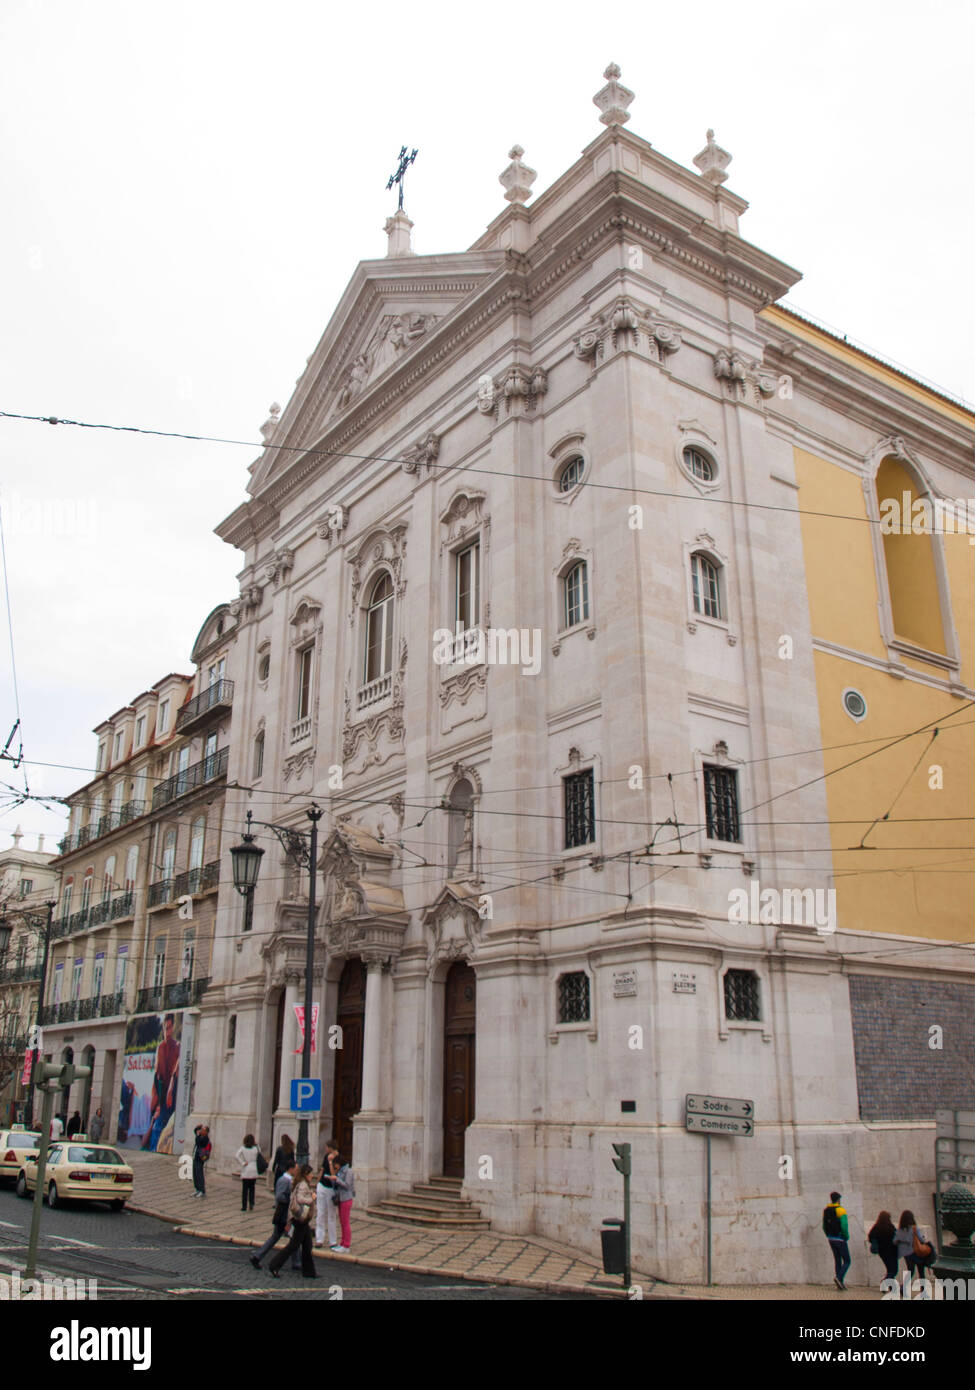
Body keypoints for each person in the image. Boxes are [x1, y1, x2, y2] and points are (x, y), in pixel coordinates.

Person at [250, 1157, 301, 1271]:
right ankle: (258, 1256)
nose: (297, 1171)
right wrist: (290, 1199)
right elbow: (279, 1197)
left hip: (284, 1214)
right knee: (290, 1238)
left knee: (291, 1238)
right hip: (283, 1215)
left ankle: (296, 1262)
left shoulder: (287, 1180)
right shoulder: (285, 1181)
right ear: (291, 1169)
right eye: (296, 1169)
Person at [268, 1163, 317, 1278]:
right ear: (306, 1174)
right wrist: (311, 1199)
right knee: (294, 1246)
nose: (312, 1176)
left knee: (307, 1246)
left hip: (302, 1219)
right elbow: (300, 1199)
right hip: (300, 1219)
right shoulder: (303, 1185)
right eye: (311, 1174)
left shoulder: (302, 1184)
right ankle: (274, 1265)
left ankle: (309, 1272)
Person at [143, 1013, 180, 1152]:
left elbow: (176, 1071)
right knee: (157, 1124)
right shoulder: (161, 1047)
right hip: (161, 1094)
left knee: (162, 1126)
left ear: (173, 1028)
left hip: (172, 1094)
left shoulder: (177, 1046)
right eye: (165, 1028)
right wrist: (157, 1103)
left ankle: (155, 1148)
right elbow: (157, 1075)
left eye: (170, 1028)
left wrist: (170, 1089)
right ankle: (153, 1148)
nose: (167, 1032)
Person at [894, 1210, 934, 1295]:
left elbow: (896, 1241)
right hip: (916, 1253)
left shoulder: (900, 1229)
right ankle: (923, 1291)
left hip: (907, 1254)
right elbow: (920, 1239)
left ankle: (903, 1288)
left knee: (910, 1271)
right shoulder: (914, 1228)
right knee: (921, 1271)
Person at [822, 1191, 851, 1290]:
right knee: (847, 1260)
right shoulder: (841, 1210)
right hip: (840, 1239)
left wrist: (828, 1235)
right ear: (838, 1200)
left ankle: (840, 1283)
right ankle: (839, 1277)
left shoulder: (826, 1210)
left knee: (837, 1260)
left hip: (831, 1238)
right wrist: (845, 1236)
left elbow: (824, 1226)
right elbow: (844, 1226)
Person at [315, 1140, 340, 1252]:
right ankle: (319, 1239)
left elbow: (333, 1173)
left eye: (327, 1147)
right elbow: (322, 1170)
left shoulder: (338, 1159)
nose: (325, 1149)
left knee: (331, 1215)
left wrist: (330, 1162)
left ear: (331, 1148)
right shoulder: (326, 1156)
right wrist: (317, 1183)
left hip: (331, 1189)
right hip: (322, 1186)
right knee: (320, 1213)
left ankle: (333, 1241)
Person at [331, 1149, 355, 1254]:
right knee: (342, 1221)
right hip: (341, 1198)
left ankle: (346, 1245)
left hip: (346, 1198)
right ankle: (342, 1243)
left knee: (345, 1222)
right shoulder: (340, 1171)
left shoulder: (349, 1171)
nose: (335, 1167)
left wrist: (337, 1179)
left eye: (335, 1164)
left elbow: (347, 1185)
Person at [867, 1210, 899, 1283]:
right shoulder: (890, 1227)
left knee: (889, 1270)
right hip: (891, 1252)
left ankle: (891, 1287)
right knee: (894, 1270)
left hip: (882, 1252)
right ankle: (885, 1281)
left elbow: (870, 1236)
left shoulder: (876, 1227)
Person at [236, 1133, 261, 1212]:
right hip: (254, 1169)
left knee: (245, 1189)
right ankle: (251, 1203)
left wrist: (243, 1163)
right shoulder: (255, 1148)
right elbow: (259, 1152)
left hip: (246, 1169)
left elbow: (237, 1156)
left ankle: (244, 1206)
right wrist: (257, 1145)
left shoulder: (243, 1148)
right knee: (252, 1188)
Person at [192, 1124, 211, 1198]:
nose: (201, 1131)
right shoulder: (200, 1136)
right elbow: (195, 1131)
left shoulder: (205, 1138)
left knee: (199, 1174)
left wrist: (197, 1135)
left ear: (206, 1132)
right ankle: (197, 1189)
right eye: (201, 1129)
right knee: (195, 1174)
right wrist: (197, 1127)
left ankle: (202, 1191)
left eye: (203, 1130)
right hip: (195, 1157)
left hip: (200, 1159)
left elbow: (198, 1142)